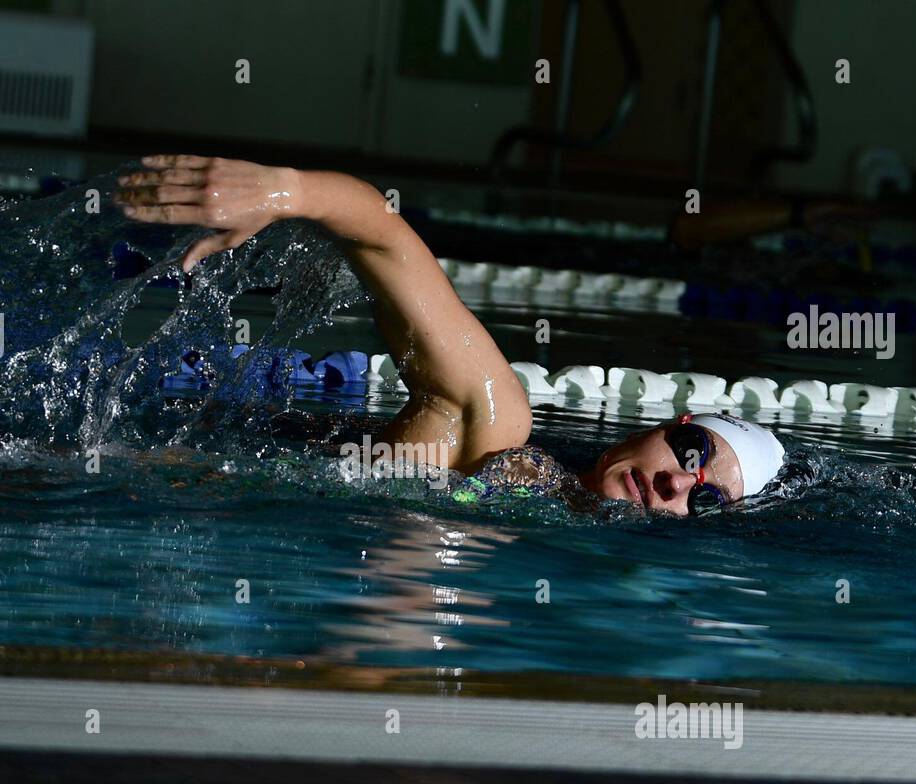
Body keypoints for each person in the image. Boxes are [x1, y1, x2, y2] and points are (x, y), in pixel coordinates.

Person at [115, 155, 785, 516]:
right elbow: (383, 232)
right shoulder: (491, 433)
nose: (674, 484)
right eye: (691, 450)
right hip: (132, 485)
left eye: (703, 499)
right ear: (666, 426)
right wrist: (284, 192)